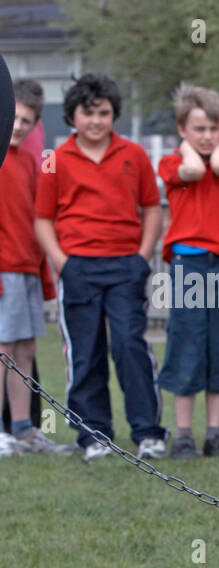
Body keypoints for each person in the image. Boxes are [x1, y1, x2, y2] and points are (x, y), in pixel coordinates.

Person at [34, 73, 166, 463]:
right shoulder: (55, 160)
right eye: (87, 113)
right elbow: (42, 219)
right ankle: (94, 435)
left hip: (126, 265)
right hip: (78, 269)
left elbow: (152, 208)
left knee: (129, 346)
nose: (96, 121)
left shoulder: (135, 155)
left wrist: (142, 256)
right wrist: (63, 263)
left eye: (104, 113)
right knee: (85, 352)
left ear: (114, 115)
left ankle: (148, 432)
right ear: (72, 117)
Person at [155, 83, 219, 459]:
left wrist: (214, 142)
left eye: (214, 128)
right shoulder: (173, 164)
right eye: (199, 128)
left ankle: (214, 433)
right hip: (189, 262)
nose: (207, 136)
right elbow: (193, 169)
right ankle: (182, 434)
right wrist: (188, 147)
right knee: (187, 341)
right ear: (182, 130)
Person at [1, 78, 64, 455]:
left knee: (24, 349)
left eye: (27, 120)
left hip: (26, 267)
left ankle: (24, 428)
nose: (19, 126)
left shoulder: (35, 161)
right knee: (3, 347)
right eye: (14, 117)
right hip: (3, 266)